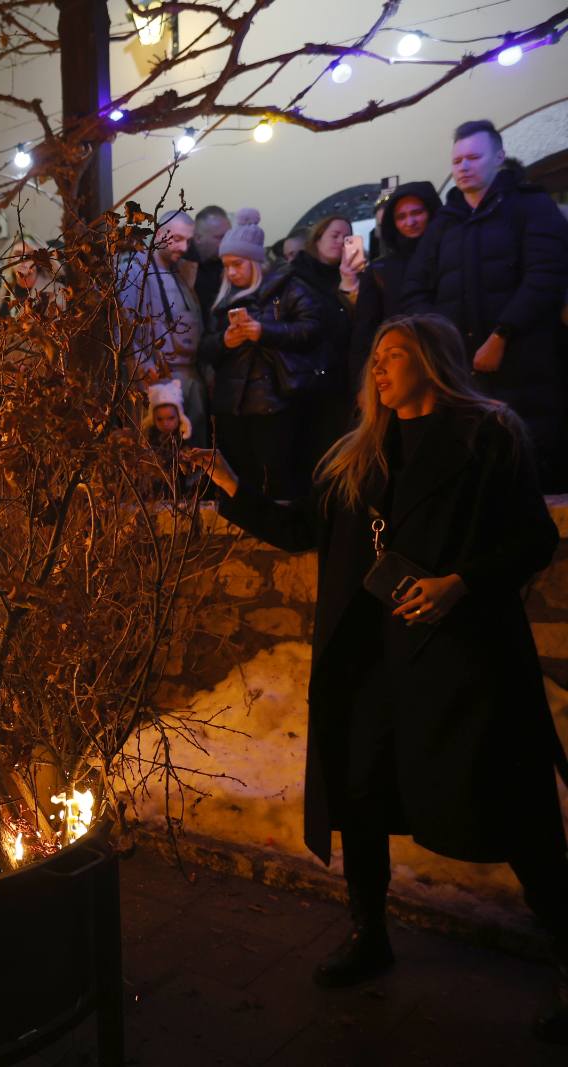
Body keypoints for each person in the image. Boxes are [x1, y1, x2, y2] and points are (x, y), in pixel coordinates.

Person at [192, 314, 568, 1042]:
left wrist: (461, 582)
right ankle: (369, 932)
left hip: (458, 657)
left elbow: (534, 539)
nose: (381, 369)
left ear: (435, 360)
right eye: (377, 358)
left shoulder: (488, 435)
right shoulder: (358, 453)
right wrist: (231, 486)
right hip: (368, 656)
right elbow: (302, 529)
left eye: (396, 355)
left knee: (510, 801)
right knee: (359, 791)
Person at [402, 119, 568, 490]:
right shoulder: (444, 224)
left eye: (473, 157)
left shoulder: (531, 205)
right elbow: (415, 289)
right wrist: (442, 342)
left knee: (529, 463)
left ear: (499, 157)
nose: (462, 166)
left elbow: (545, 276)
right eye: (457, 159)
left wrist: (502, 335)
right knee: (473, 469)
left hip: (525, 365)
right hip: (459, 370)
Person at [199, 209, 327, 500]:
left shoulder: (288, 287)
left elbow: (313, 329)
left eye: (237, 264)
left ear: (256, 261)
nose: (230, 272)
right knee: (241, 476)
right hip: (232, 404)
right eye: (226, 265)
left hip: (275, 400)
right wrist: (224, 341)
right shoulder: (223, 299)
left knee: (277, 475)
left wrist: (264, 331)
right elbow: (205, 347)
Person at [338, 182, 442, 389]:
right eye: (401, 217)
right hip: (403, 369)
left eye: (417, 212)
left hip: (450, 359)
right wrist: (362, 385)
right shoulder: (381, 269)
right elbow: (364, 332)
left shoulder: (450, 253)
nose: (410, 222)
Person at [120, 210, 207, 445]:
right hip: (155, 383)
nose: (184, 247)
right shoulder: (134, 272)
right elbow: (124, 329)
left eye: (188, 240)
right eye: (177, 239)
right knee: (158, 455)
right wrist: (142, 366)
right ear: (159, 234)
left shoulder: (180, 272)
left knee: (193, 452)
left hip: (188, 378)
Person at [289, 215, 357, 483]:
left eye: (347, 237)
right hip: (306, 382)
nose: (341, 242)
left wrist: (350, 285)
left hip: (340, 381)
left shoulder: (350, 278)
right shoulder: (297, 276)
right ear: (317, 239)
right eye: (335, 235)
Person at [189, 205, 231, 314]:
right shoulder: (179, 264)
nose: (227, 242)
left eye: (229, 236)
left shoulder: (230, 261)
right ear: (198, 238)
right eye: (220, 237)